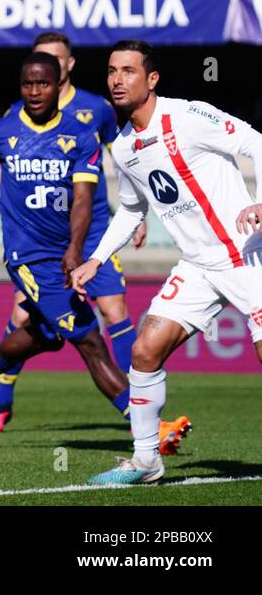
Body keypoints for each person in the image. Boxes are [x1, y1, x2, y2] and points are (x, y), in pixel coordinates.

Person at [76, 41, 262, 485]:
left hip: (245, 253)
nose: (117, 80)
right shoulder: (122, 147)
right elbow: (132, 209)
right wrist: (96, 258)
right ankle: (145, 462)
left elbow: (256, 141)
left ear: (152, 79)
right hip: (196, 266)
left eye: (128, 71)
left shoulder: (189, 116)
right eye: (111, 71)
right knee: (144, 351)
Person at [0, 53, 153, 434]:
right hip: (26, 255)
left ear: (59, 86)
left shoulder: (78, 136)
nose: (34, 91)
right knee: (89, 338)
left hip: (64, 252)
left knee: (46, 336)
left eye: (43, 83)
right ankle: (146, 426)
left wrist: (76, 249)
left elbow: (82, 200)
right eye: (27, 84)